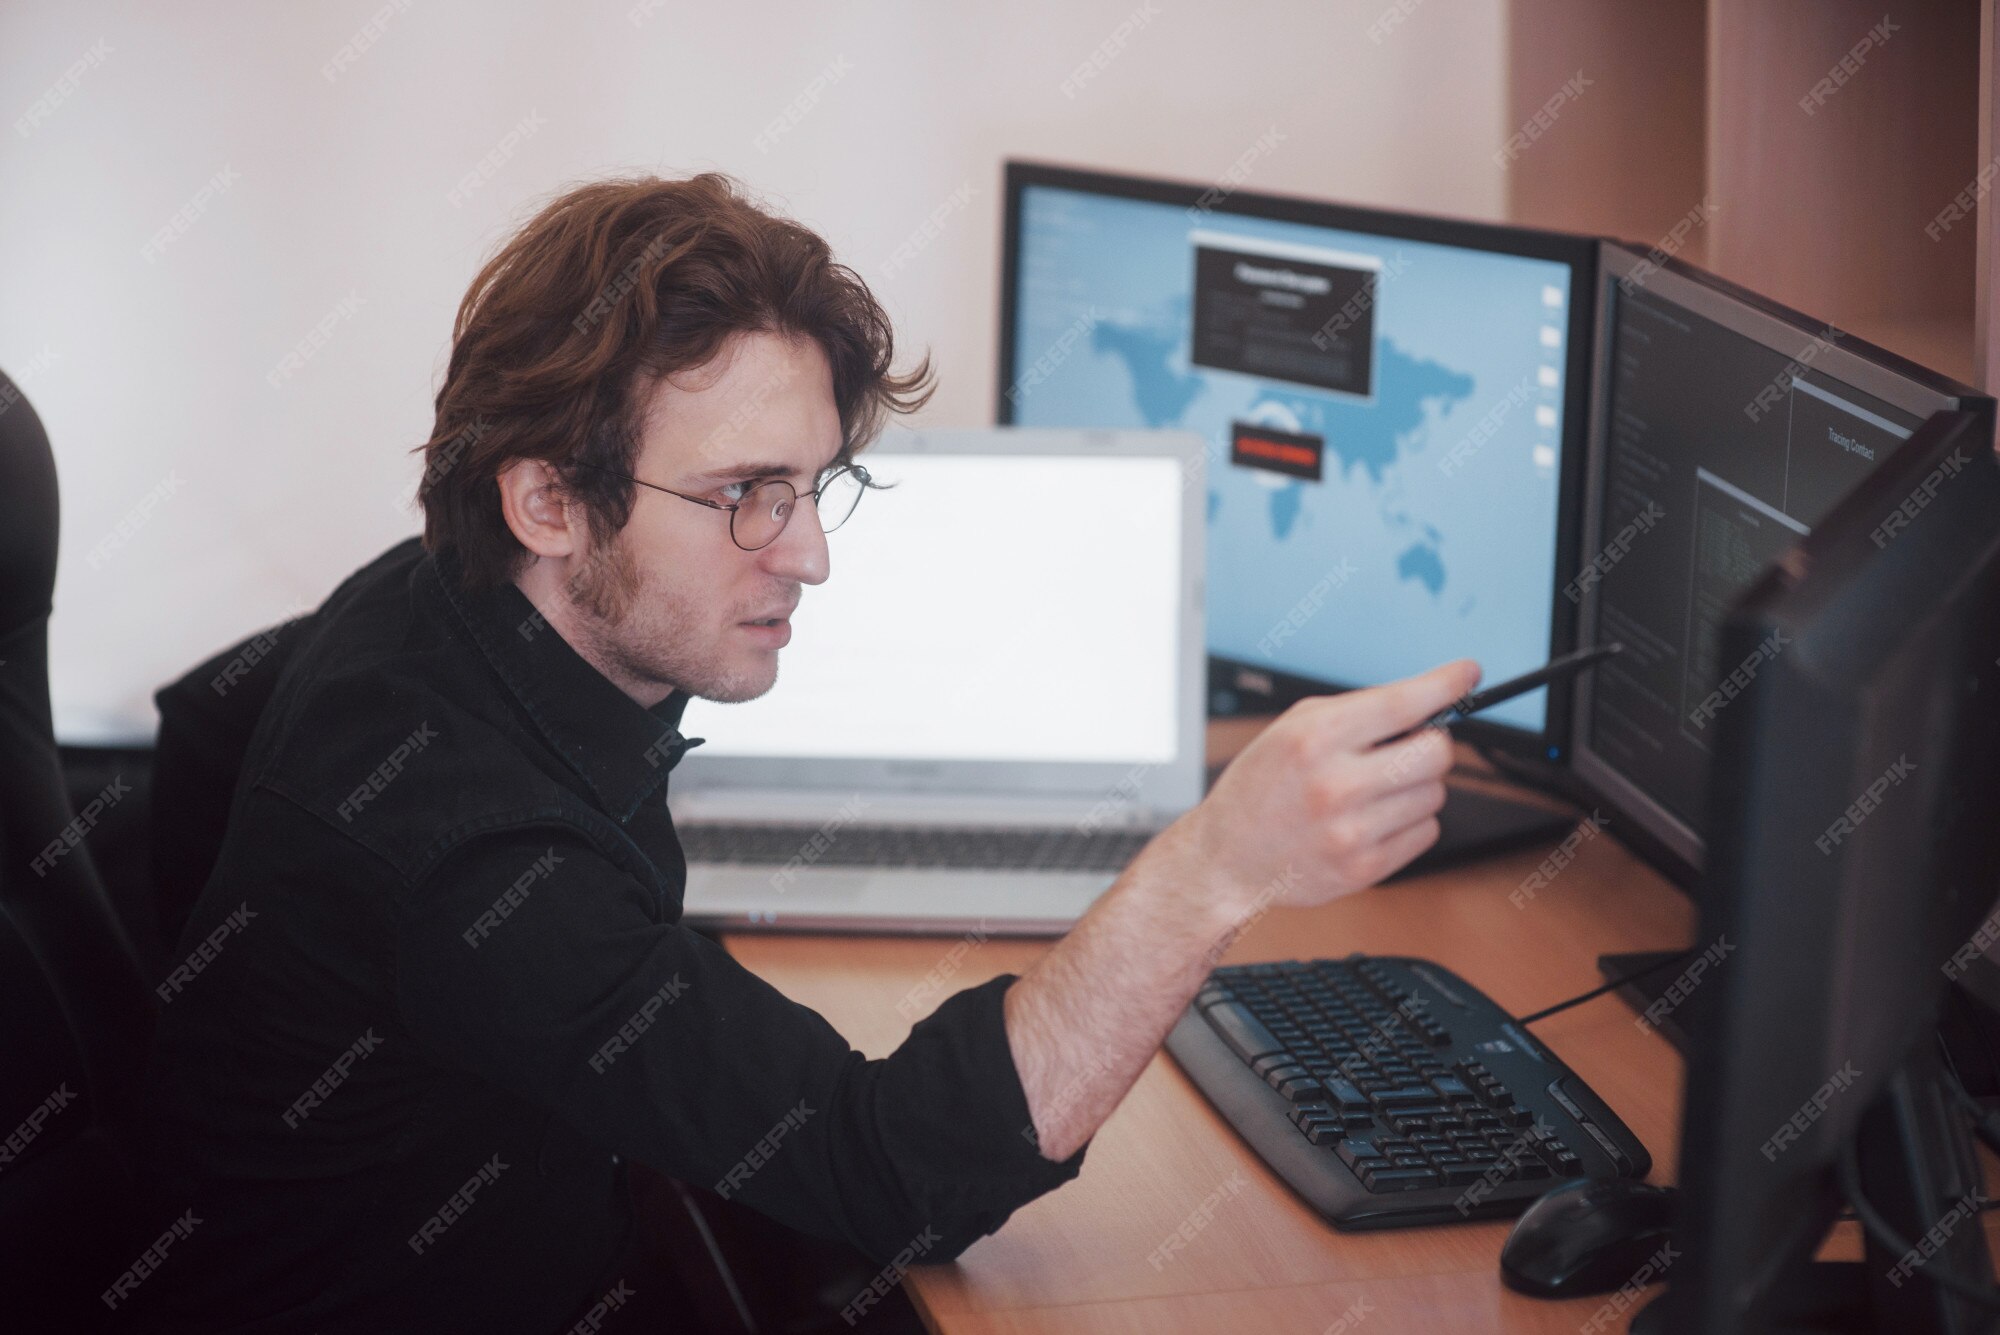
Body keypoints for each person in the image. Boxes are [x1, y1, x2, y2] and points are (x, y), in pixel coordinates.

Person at [131, 172, 1474, 1333]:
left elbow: (201, 727)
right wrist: (1211, 868)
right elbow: (897, 1181)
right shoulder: (477, 860)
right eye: (740, 497)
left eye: (812, 483)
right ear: (546, 498)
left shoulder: (431, 597)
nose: (810, 553)